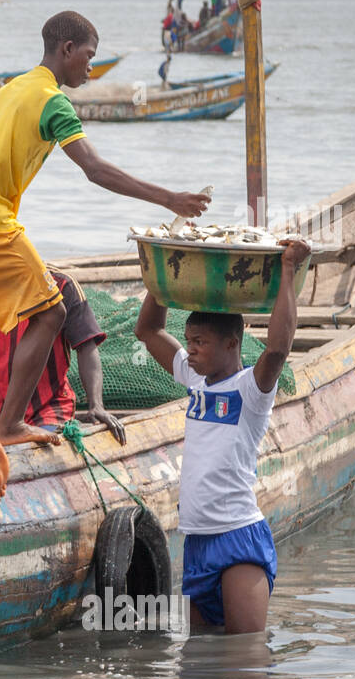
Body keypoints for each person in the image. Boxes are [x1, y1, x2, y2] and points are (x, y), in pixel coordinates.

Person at [0, 10, 209, 446]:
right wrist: (169, 199)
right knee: (52, 311)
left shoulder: (9, 90)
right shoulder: (53, 100)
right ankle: (9, 425)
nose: (91, 67)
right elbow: (94, 169)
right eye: (89, 56)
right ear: (67, 49)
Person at [133, 237, 312, 634]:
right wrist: (160, 273)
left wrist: (285, 270)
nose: (190, 351)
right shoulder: (196, 380)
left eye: (200, 343)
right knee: (198, 664)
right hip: (196, 540)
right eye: (190, 341)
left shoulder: (250, 390)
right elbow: (147, 330)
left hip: (237, 539)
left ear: (232, 344)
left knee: (245, 658)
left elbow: (279, 348)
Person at [0, 268, 125, 444]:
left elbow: (86, 347)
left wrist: (96, 404)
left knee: (43, 447)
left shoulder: (61, 285)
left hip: (49, 410)